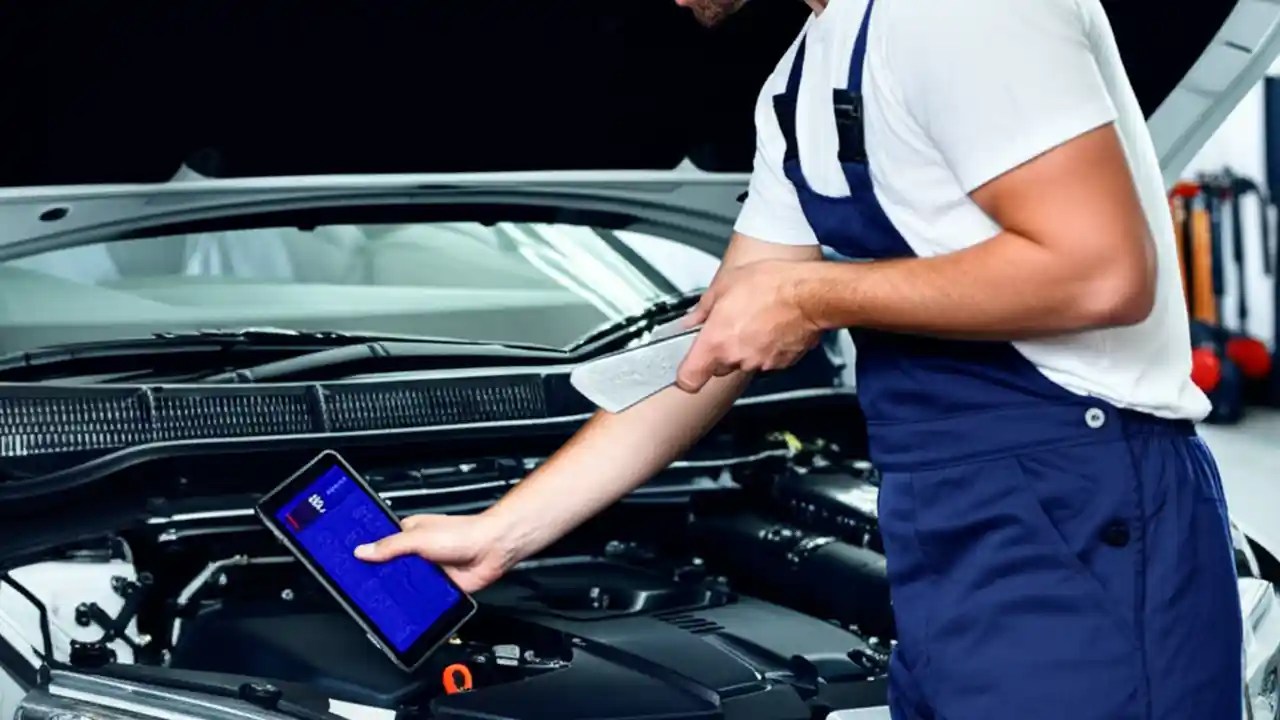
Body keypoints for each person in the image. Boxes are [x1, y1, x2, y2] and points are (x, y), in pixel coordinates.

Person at [354, 0, 1244, 717]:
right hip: (943, 530)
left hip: (1080, 512)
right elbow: (718, 346)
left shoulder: (958, 13)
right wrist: (498, 534)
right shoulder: (803, 79)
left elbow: (1101, 273)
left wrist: (814, 295)